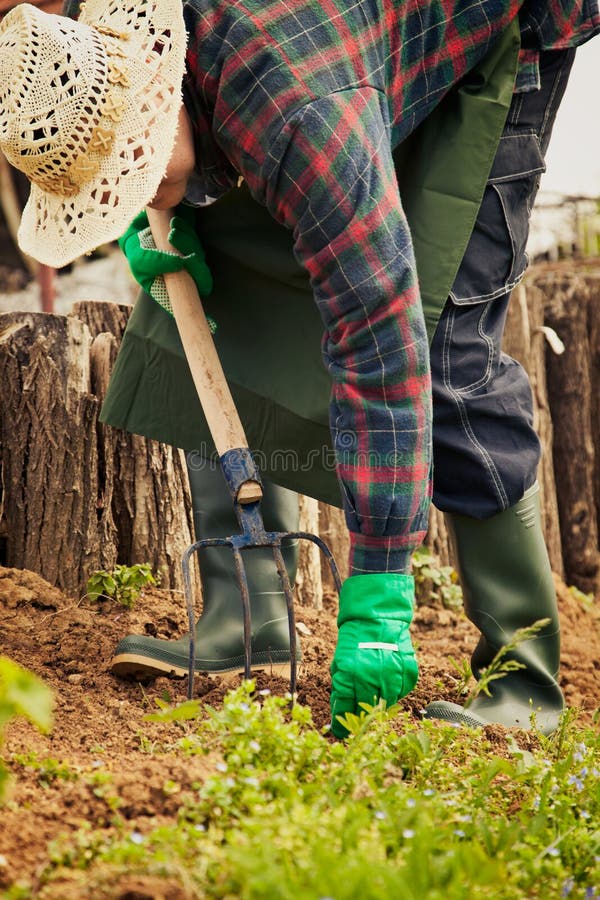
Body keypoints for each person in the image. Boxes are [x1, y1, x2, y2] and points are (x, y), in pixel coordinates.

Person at [1, 0, 597, 738]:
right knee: (218, 270)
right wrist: (161, 197)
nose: (138, 200)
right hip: (339, 53)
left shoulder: (296, 115)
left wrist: (379, 586)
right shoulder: (117, 39)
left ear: (158, 106)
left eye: (135, 177)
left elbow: (379, 334)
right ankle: (248, 616)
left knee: (446, 356)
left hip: (496, 30)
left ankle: (523, 681)